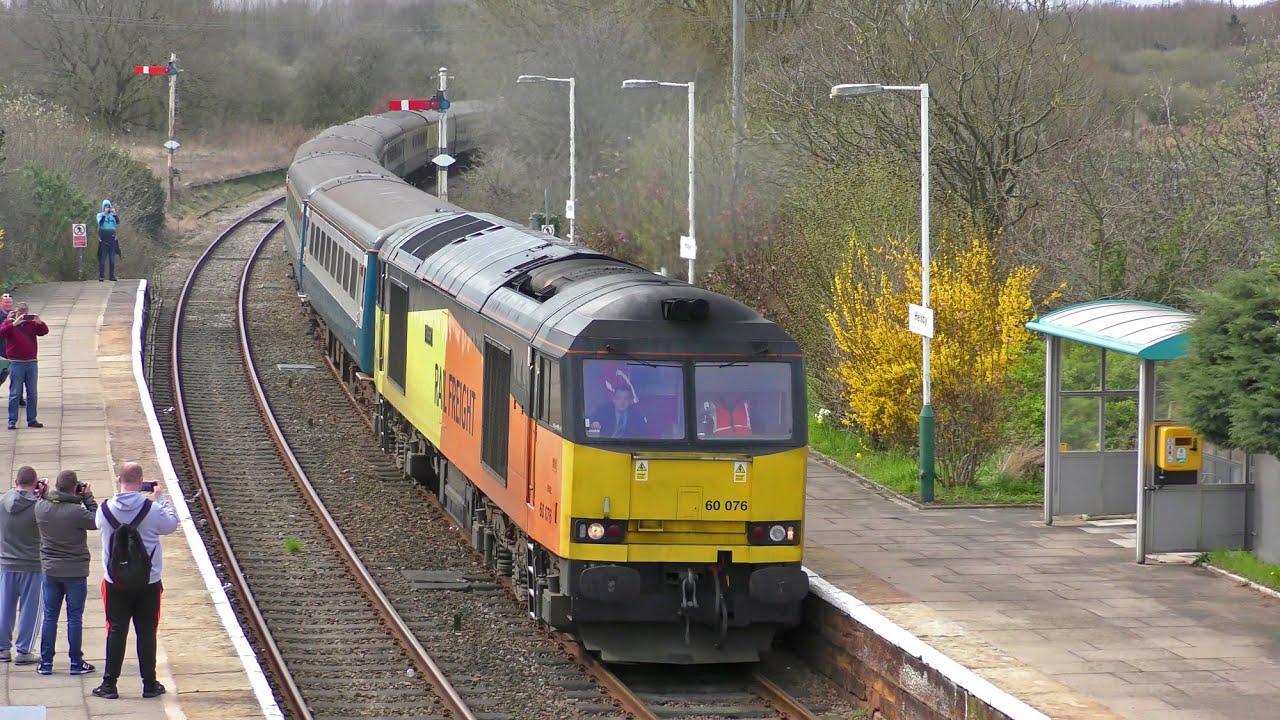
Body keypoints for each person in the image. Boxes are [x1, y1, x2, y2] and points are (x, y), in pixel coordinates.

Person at [93, 462, 178, 700]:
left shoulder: (104, 509)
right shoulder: (152, 509)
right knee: (147, 632)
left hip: (115, 583)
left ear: (119, 479)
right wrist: (160, 497)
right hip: (148, 583)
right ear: (141, 483)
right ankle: (149, 684)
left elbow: (98, 525)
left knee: (116, 631)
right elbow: (171, 525)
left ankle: (109, 685)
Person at [35, 470, 98, 676]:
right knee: (74, 617)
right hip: (75, 571)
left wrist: (44, 493)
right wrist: (87, 498)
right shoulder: (77, 512)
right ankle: (76, 662)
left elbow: (50, 501)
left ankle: (46, 663)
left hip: (51, 570)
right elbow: (97, 520)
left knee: (50, 616)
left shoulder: (41, 507)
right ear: (74, 488)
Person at [0, 466, 45, 665]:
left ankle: (2, 648)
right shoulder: (38, 506)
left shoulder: (2, 502)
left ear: (16, 481)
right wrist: (44, 495)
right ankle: (24, 650)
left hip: (6, 562)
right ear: (36, 483)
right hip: (32, 563)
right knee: (31, 609)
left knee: (4, 607)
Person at [0, 302, 47, 430]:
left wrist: (39, 322)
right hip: (16, 362)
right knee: (15, 393)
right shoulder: (9, 323)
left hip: (31, 362)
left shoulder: (31, 323)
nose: (22, 316)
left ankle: (32, 419)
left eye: (25, 313)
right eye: (20, 313)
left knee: (32, 393)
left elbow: (43, 332)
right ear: (16, 312)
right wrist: (14, 323)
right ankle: (12, 420)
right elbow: (2, 332)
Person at [96, 200, 120, 282]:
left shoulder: (112, 216)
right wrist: (105, 214)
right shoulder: (99, 215)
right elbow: (101, 223)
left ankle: (112, 275)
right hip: (103, 239)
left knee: (112, 258)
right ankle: (101, 276)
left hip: (112, 238)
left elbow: (118, 222)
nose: (108, 208)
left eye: (109, 207)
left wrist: (115, 214)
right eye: (106, 207)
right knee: (102, 258)